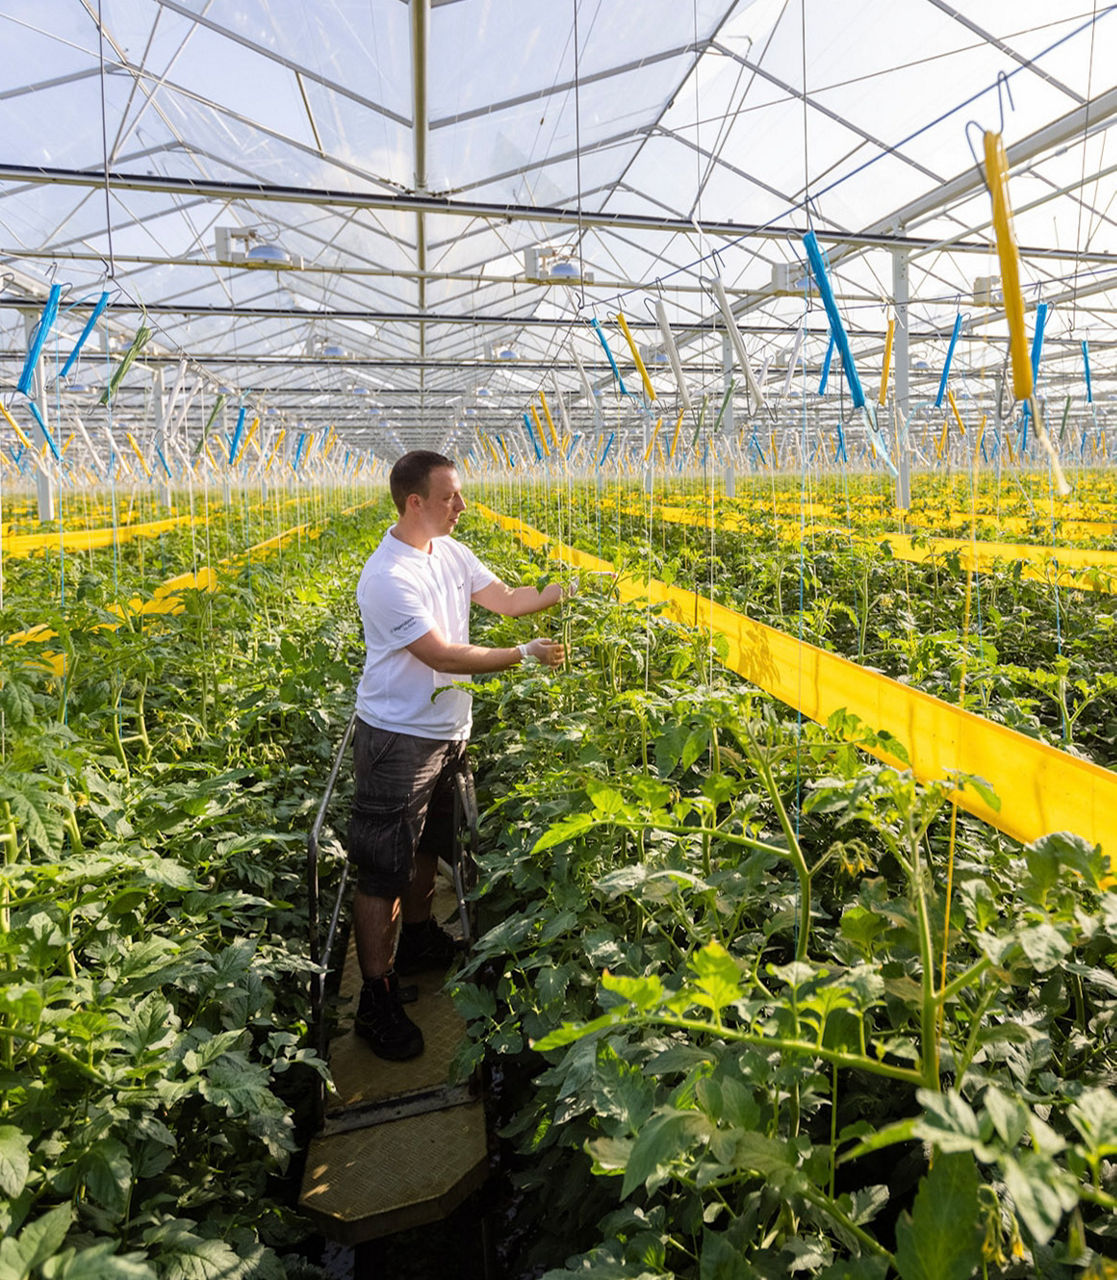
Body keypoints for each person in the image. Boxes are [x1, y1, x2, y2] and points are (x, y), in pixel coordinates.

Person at [348, 450, 565, 1060]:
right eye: (450, 497)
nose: (462, 506)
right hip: (398, 738)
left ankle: (417, 939)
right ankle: (375, 997)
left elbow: (508, 598)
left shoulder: (450, 552)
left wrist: (569, 588)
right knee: (383, 869)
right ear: (414, 502)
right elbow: (442, 654)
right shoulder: (387, 577)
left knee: (425, 847)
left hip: (447, 732)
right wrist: (523, 655)